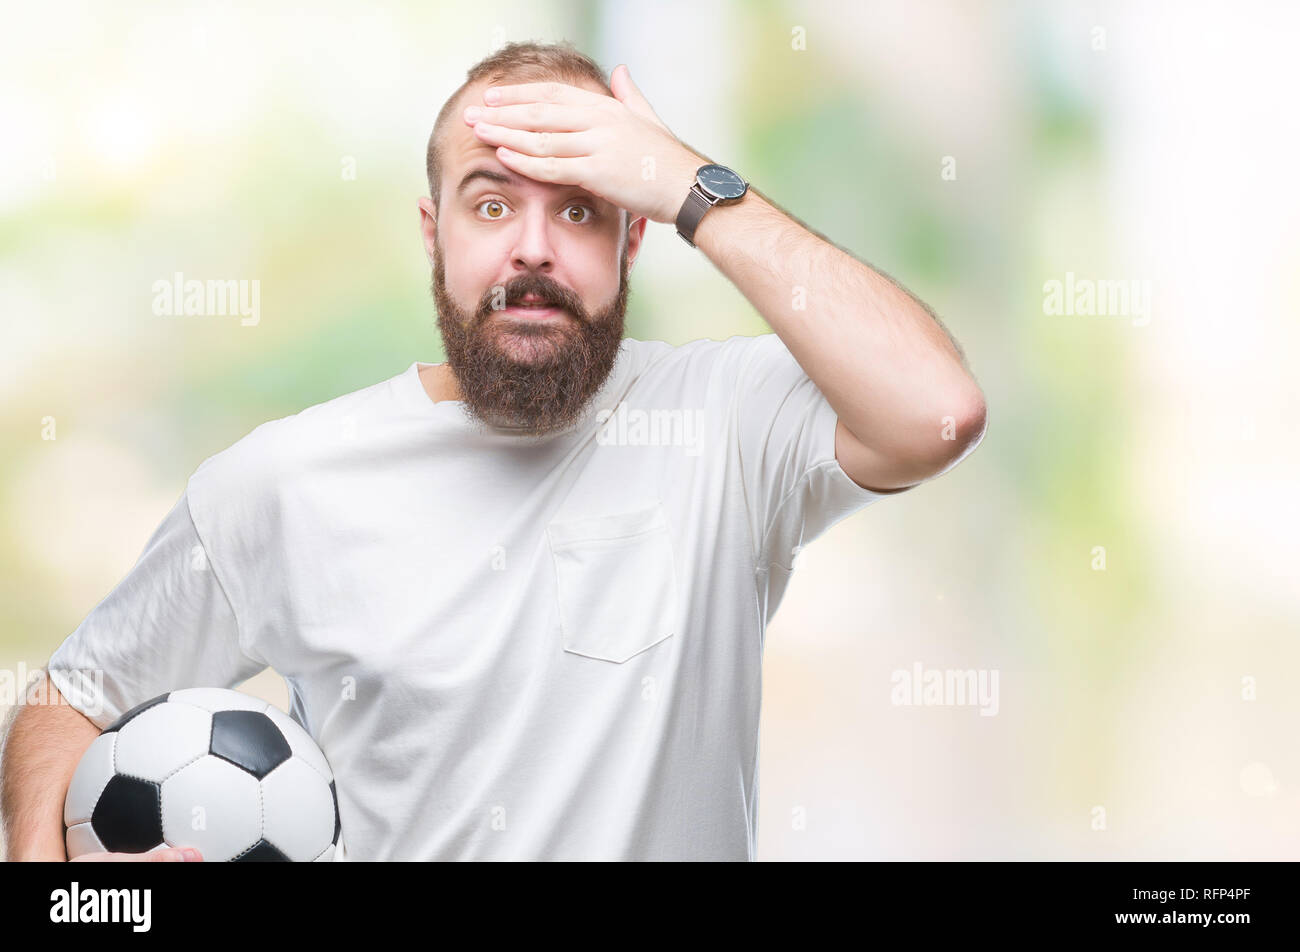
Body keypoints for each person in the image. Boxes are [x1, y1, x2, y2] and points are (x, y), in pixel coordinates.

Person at [2, 41, 986, 861]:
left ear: (633, 239)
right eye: (488, 205)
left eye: (577, 207)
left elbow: (936, 410)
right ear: (434, 237)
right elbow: (71, 698)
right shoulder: (283, 484)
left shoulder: (721, 422)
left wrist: (692, 183)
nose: (530, 250)